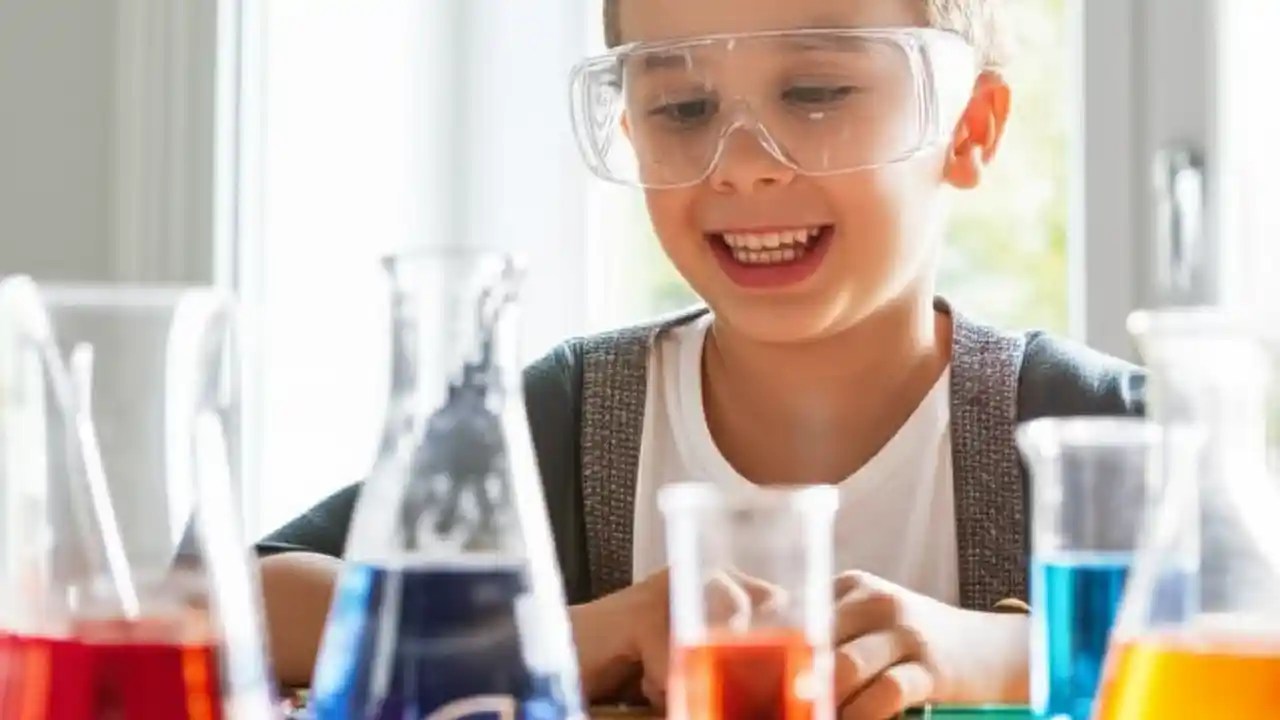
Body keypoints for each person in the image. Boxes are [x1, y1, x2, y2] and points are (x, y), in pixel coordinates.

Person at [256, 0, 1143, 716]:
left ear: (970, 128)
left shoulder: (1099, 427)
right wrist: (577, 633)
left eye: (819, 93)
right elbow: (250, 595)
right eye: (684, 108)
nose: (744, 167)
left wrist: (1004, 653)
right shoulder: (570, 419)